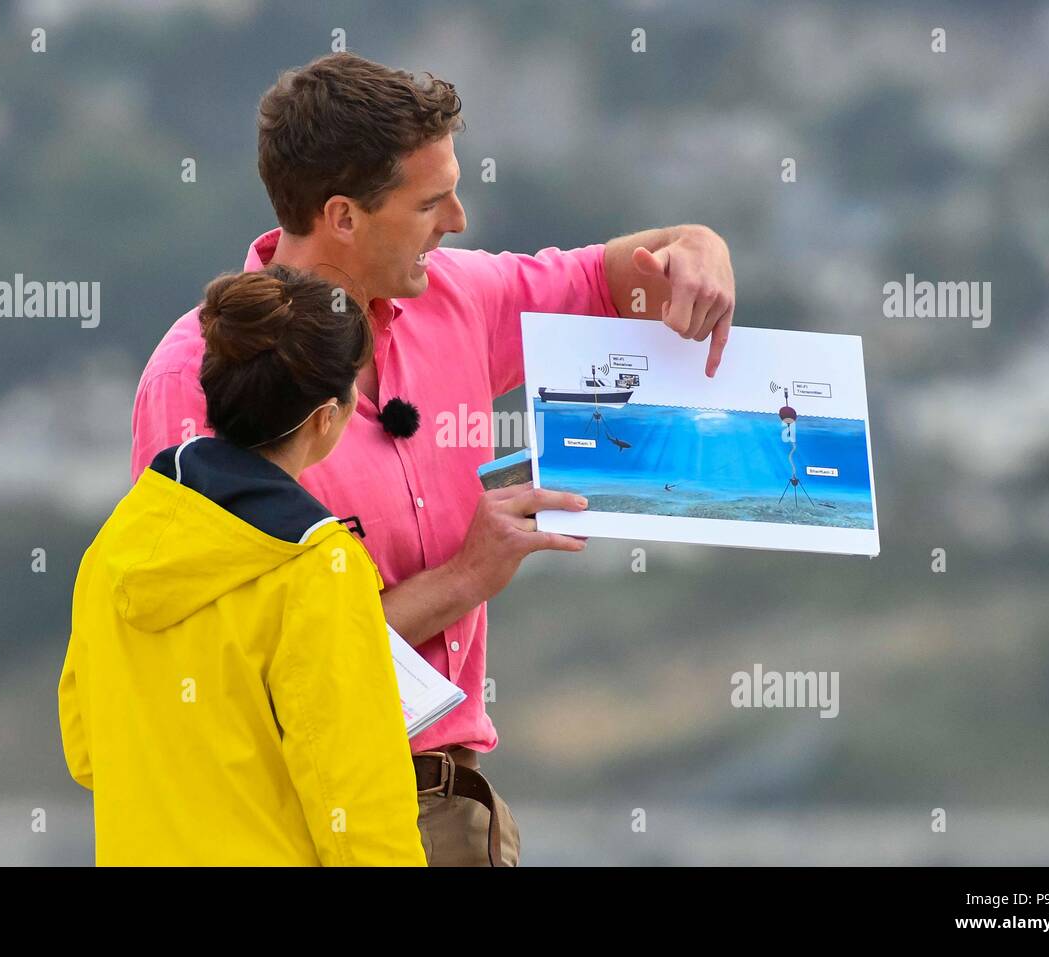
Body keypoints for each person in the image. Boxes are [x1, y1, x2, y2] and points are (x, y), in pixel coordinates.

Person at [130, 52, 736, 866]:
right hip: (290, 823)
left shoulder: (460, 296)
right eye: (430, 200)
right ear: (342, 216)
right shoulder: (196, 381)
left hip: (451, 810)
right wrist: (465, 578)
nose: (457, 218)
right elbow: (225, 674)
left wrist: (698, 247)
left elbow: (610, 282)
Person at [59, 265, 426, 866]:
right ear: (323, 418)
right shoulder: (318, 564)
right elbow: (361, 808)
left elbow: (85, 751)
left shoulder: (118, 539)